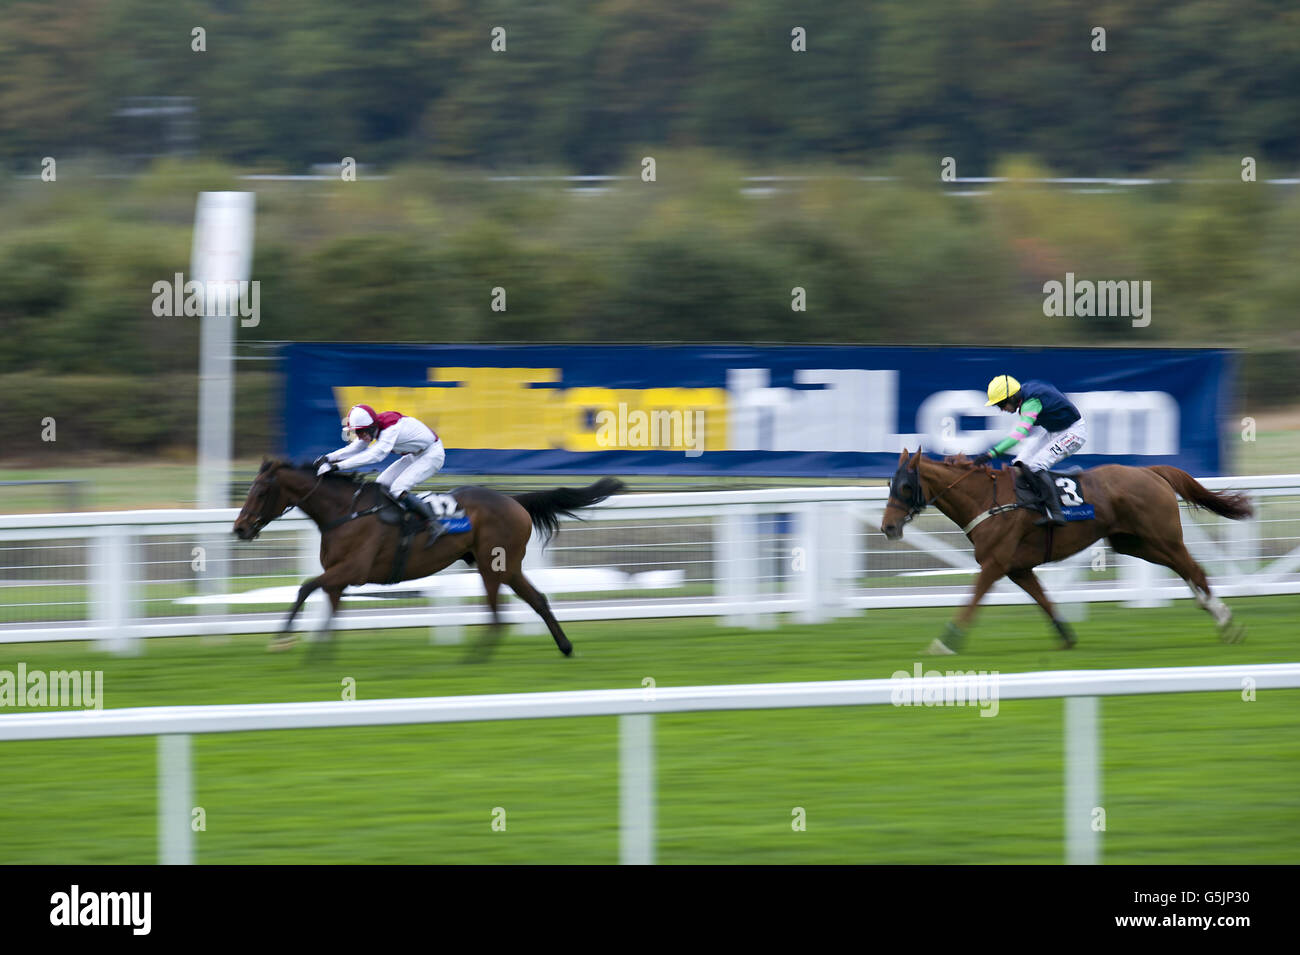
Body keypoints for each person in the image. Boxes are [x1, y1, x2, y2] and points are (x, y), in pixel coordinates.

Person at [314, 404, 448, 545]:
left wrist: (337, 466)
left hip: (432, 454)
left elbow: (375, 455)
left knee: (398, 489)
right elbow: (357, 447)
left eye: (361, 432)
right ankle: (398, 522)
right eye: (357, 433)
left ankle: (434, 525)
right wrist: (328, 458)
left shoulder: (390, 427)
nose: (359, 436)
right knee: (380, 484)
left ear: (371, 427)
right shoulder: (374, 426)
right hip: (416, 454)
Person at [969, 375, 1088, 526]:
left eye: (1002, 404)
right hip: (1054, 431)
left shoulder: (1031, 403)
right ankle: (1034, 502)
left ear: (1011, 398)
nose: (1001, 409)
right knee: (1019, 463)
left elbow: (1019, 435)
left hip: (1074, 432)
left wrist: (991, 453)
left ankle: (1056, 514)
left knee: (1036, 465)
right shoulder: (1024, 393)